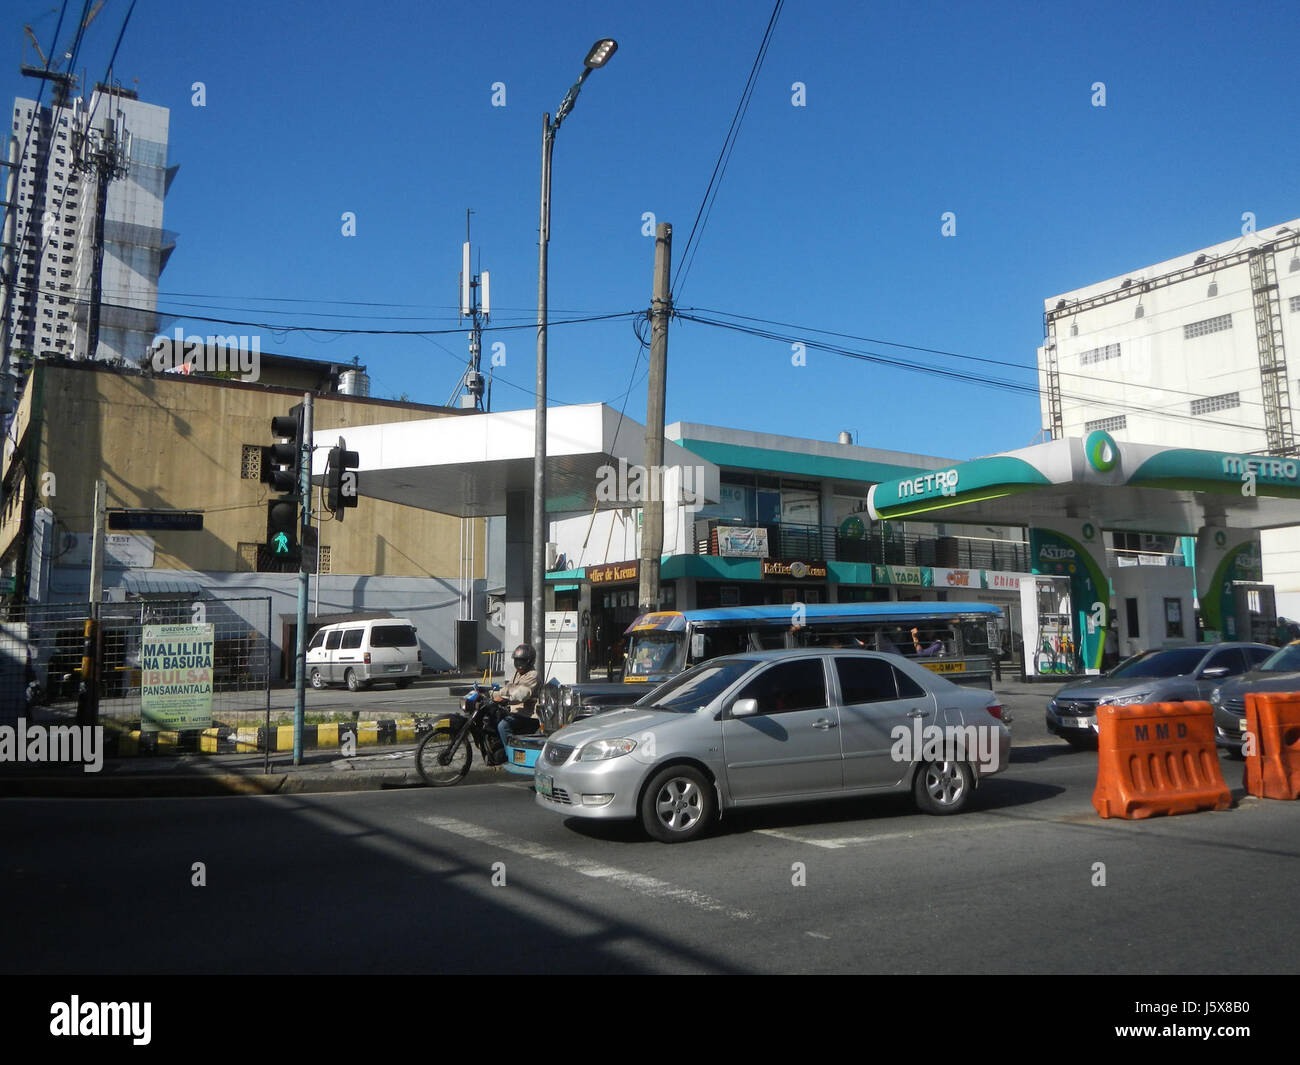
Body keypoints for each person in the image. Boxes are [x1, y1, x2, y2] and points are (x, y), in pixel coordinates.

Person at [493, 643, 540, 765]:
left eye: (522, 661)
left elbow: (522, 693)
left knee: (503, 726)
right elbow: (509, 688)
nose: (518, 664)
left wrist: (507, 699)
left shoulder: (532, 675)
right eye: (517, 660)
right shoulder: (519, 674)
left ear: (529, 661)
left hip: (529, 715)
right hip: (516, 711)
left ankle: (511, 756)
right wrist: (490, 693)